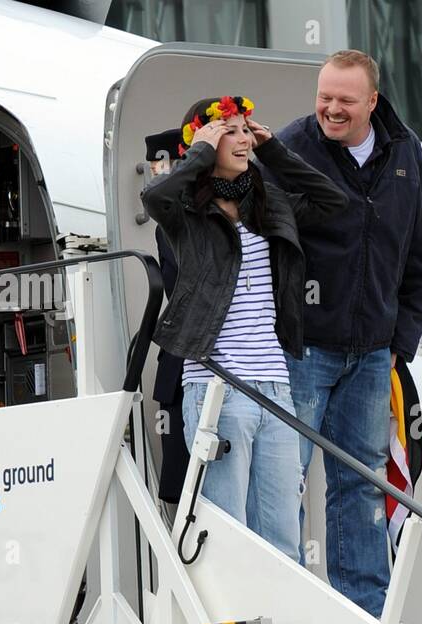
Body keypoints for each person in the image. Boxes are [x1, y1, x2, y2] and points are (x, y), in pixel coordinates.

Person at [140, 96, 347, 557]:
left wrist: (273, 150)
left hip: (275, 389)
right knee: (226, 531)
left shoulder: (268, 204)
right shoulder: (186, 215)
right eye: (228, 130)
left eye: (245, 129)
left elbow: (333, 202)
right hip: (217, 386)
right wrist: (197, 154)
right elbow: (155, 197)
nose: (242, 138)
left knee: (282, 537)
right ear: (204, 140)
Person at [270, 50, 422, 617]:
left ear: (372, 102)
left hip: (372, 357)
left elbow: (419, 257)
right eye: (324, 97)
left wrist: (400, 344)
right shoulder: (292, 146)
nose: (331, 110)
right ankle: (289, 611)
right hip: (304, 352)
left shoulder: (405, 153)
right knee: (284, 478)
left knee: (361, 487)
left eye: (345, 100)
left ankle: (362, 616)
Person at [143, 128, 192, 505]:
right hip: (180, 366)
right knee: (179, 485)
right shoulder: (168, 226)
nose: (159, 172)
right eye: (154, 165)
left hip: (199, 363)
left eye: (165, 164)